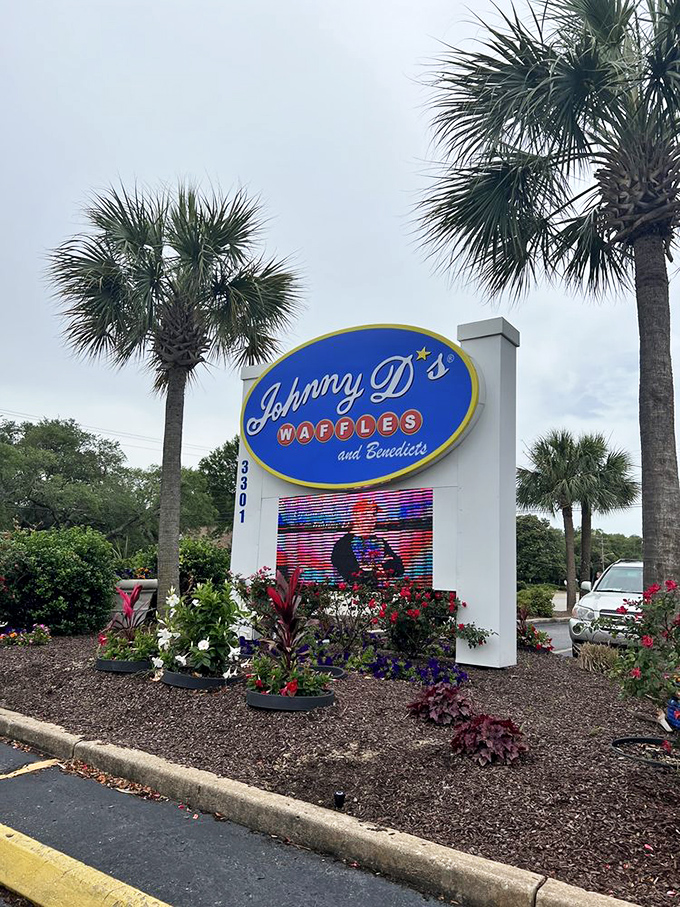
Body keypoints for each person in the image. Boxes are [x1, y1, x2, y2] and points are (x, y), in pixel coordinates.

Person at [331, 498, 404, 585]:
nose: (370, 518)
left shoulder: (380, 542)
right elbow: (349, 573)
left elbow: (399, 568)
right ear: (355, 516)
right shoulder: (343, 545)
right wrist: (380, 568)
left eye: (373, 514)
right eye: (366, 514)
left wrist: (380, 568)